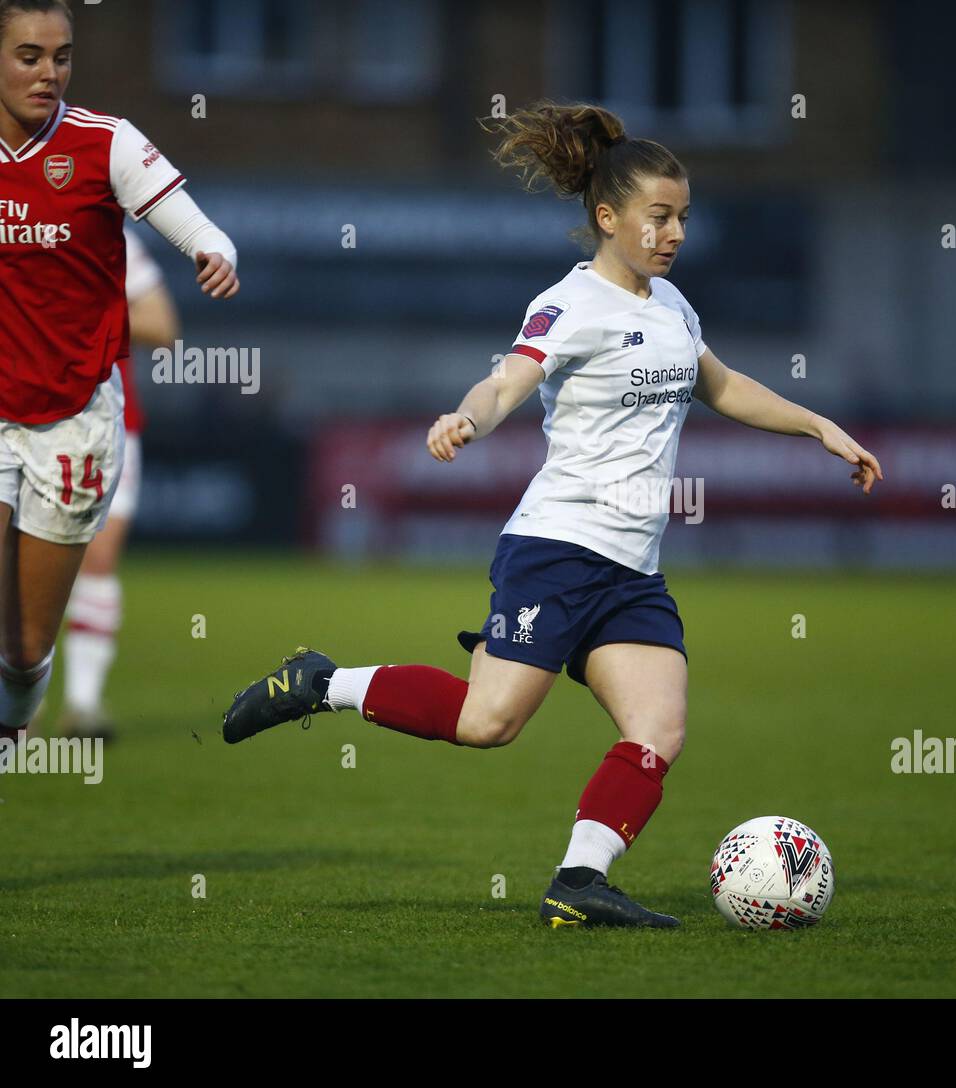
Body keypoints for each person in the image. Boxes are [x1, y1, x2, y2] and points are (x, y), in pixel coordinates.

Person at [221, 101, 880, 929]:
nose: (674, 233)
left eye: (683, 217)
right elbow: (506, 380)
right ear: (609, 217)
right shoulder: (571, 304)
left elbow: (723, 386)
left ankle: (578, 880)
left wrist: (820, 425)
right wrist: (466, 417)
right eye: (659, 216)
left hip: (633, 571)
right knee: (487, 721)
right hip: (558, 548)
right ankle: (322, 682)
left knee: (659, 727)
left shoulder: (673, 308)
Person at [0, 0, 238, 774]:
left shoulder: (102, 144)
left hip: (74, 424)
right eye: (29, 55)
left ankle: (17, 732)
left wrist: (214, 250)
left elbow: (195, 226)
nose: (48, 72)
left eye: (61, 56)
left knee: (25, 646)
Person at [53, 227, 180, 740]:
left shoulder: (109, 234)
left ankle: (83, 704)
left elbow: (161, 323)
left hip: (104, 420)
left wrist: (63, 314)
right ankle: (16, 702)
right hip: (12, 421)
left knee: (97, 560)